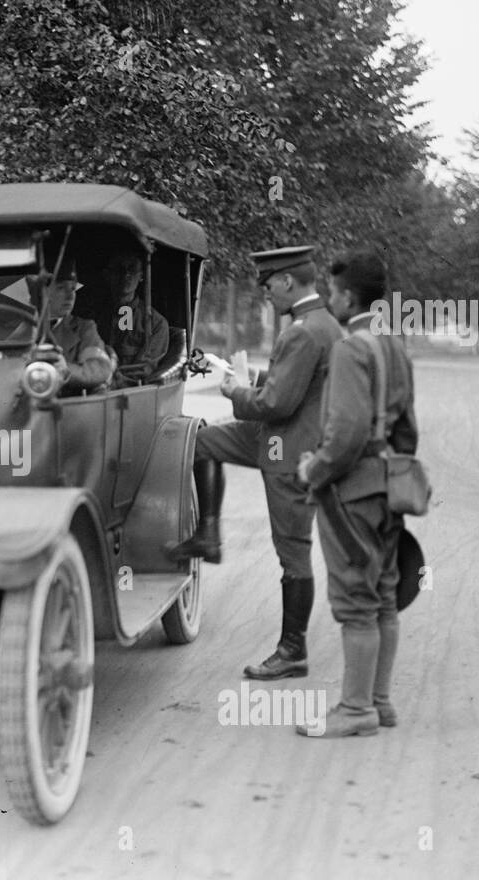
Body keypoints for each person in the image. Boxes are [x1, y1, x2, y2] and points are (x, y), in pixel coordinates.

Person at [168, 245, 344, 681]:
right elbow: (295, 386)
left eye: (268, 285)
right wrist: (249, 379)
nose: (265, 293)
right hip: (280, 438)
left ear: (287, 281)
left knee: (293, 554)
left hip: (288, 449)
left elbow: (278, 403)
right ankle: (208, 533)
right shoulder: (320, 324)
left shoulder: (303, 331)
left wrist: (236, 394)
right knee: (199, 442)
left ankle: (292, 651)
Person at [295, 248, 417, 737]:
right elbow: (407, 429)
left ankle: (355, 710)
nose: (327, 297)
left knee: (354, 601)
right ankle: (379, 702)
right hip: (388, 483)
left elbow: (344, 433)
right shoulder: (392, 344)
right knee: (384, 595)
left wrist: (314, 469)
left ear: (348, 296)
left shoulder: (350, 349)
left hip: (351, 492)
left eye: (332, 290)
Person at [75, 244, 169, 386]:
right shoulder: (88, 315)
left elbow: (144, 368)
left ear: (141, 275)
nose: (126, 275)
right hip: (86, 385)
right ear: (107, 274)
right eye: (119, 269)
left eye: (132, 269)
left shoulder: (155, 323)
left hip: (128, 394)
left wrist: (111, 381)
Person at [24, 256, 115, 390]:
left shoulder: (84, 328)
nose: (70, 295)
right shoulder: (16, 327)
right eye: (61, 288)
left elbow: (99, 368)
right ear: (40, 292)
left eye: (73, 288)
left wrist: (65, 370)